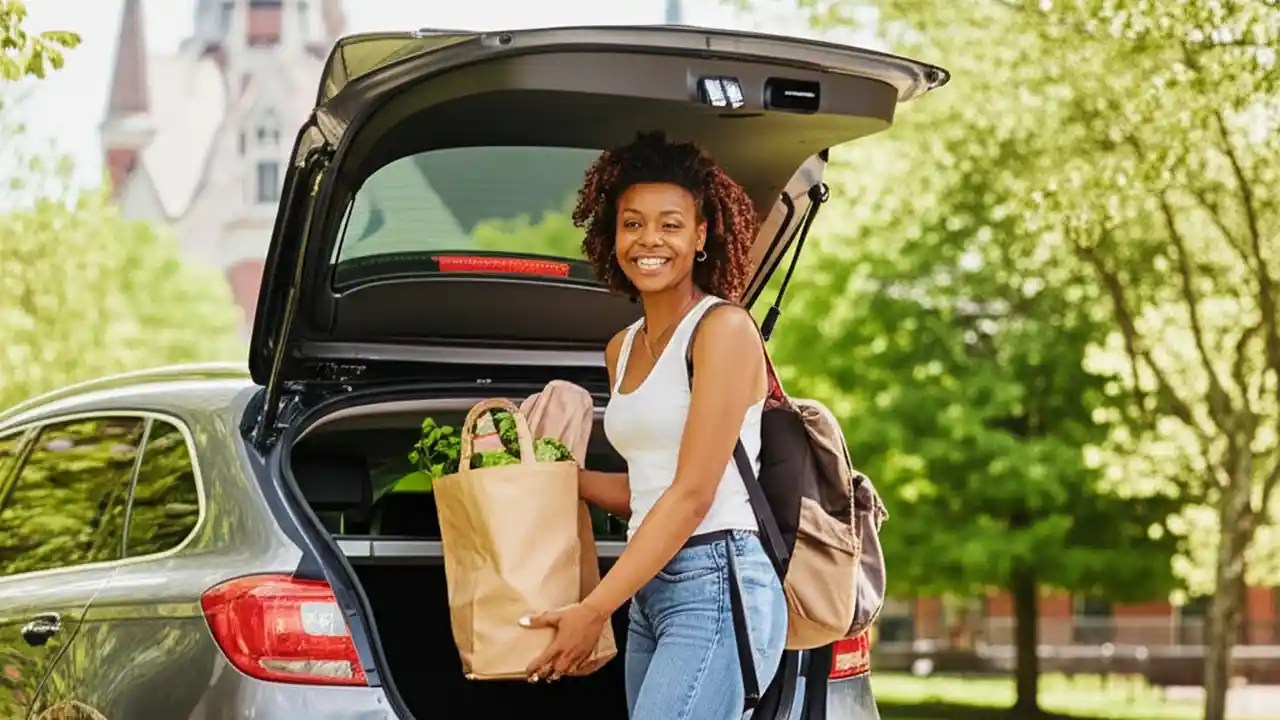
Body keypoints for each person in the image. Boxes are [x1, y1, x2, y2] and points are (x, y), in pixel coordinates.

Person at [520, 130, 787, 718]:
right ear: (611, 235)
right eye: (632, 223)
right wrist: (554, 475)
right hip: (649, 587)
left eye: (670, 224)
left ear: (701, 235)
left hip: (716, 579)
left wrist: (593, 609)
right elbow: (647, 491)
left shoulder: (723, 331)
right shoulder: (622, 348)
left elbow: (693, 495)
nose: (649, 240)